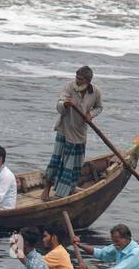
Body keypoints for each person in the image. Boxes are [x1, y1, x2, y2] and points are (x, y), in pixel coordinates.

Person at [42, 65, 103, 200]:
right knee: (56, 160)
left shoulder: (95, 92)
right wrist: (65, 104)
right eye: (76, 77)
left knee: (74, 164)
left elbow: (99, 107)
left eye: (80, 79)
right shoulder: (70, 87)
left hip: (80, 132)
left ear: (87, 81)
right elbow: (59, 104)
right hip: (64, 129)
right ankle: (46, 190)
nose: (77, 81)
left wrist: (90, 114)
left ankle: (67, 190)